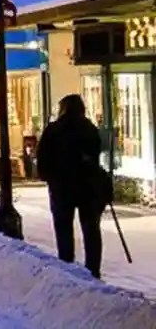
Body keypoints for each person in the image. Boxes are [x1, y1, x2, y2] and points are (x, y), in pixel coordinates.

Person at [36, 94, 106, 279]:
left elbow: (42, 159)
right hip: (87, 187)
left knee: (63, 227)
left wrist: (50, 177)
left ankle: (67, 265)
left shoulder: (54, 130)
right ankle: (93, 269)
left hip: (62, 188)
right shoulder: (89, 129)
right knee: (91, 229)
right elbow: (96, 155)